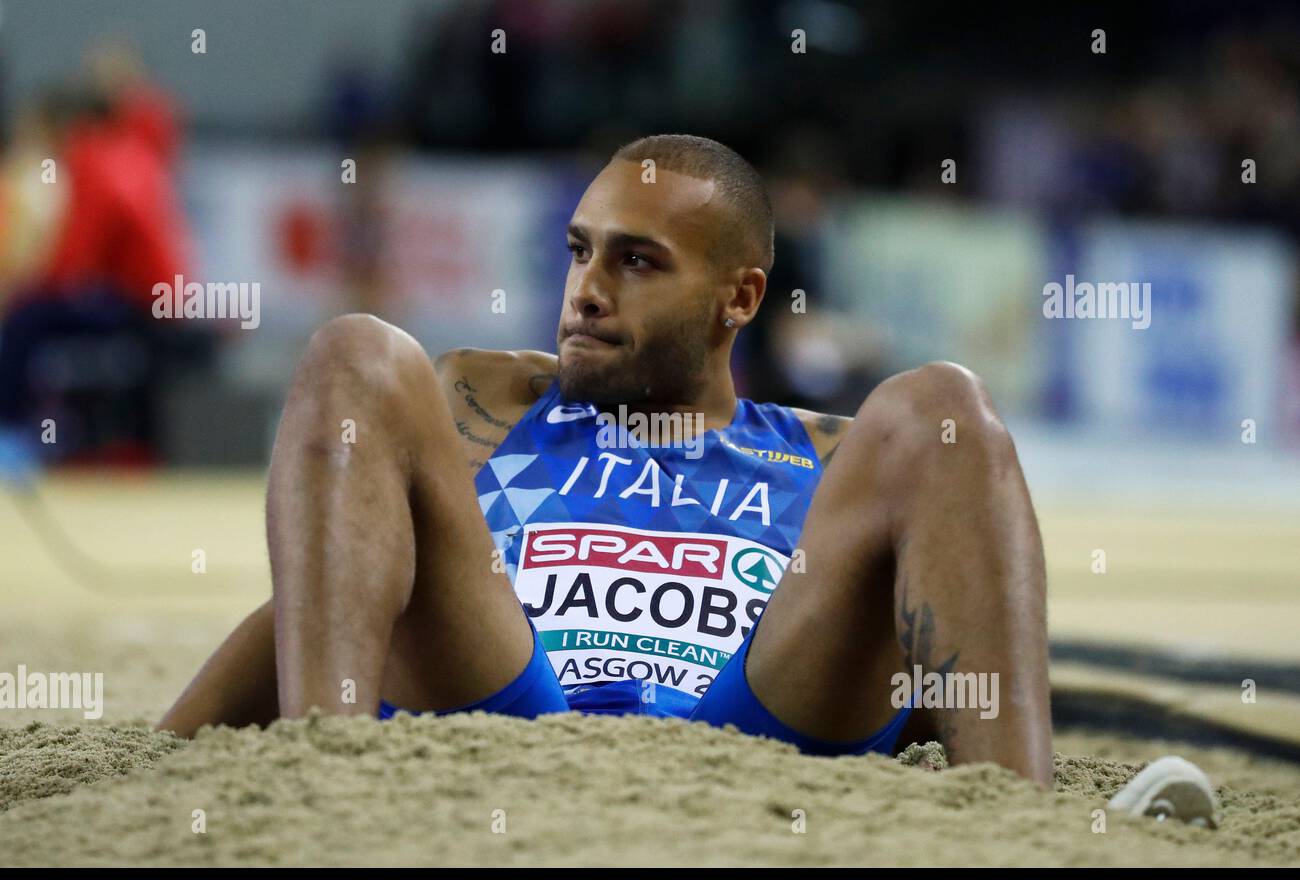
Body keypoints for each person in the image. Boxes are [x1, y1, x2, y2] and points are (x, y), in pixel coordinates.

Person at [158, 134, 1053, 786]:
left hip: (755, 733)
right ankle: (321, 780)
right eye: (580, 250)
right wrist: (166, 752)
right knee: (355, 351)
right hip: (508, 707)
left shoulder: (839, 452)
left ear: (738, 298)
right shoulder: (488, 398)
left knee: (946, 407)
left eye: (636, 262)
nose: (586, 290)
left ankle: (1027, 821)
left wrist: (961, 726)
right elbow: (346, 581)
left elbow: (919, 637)